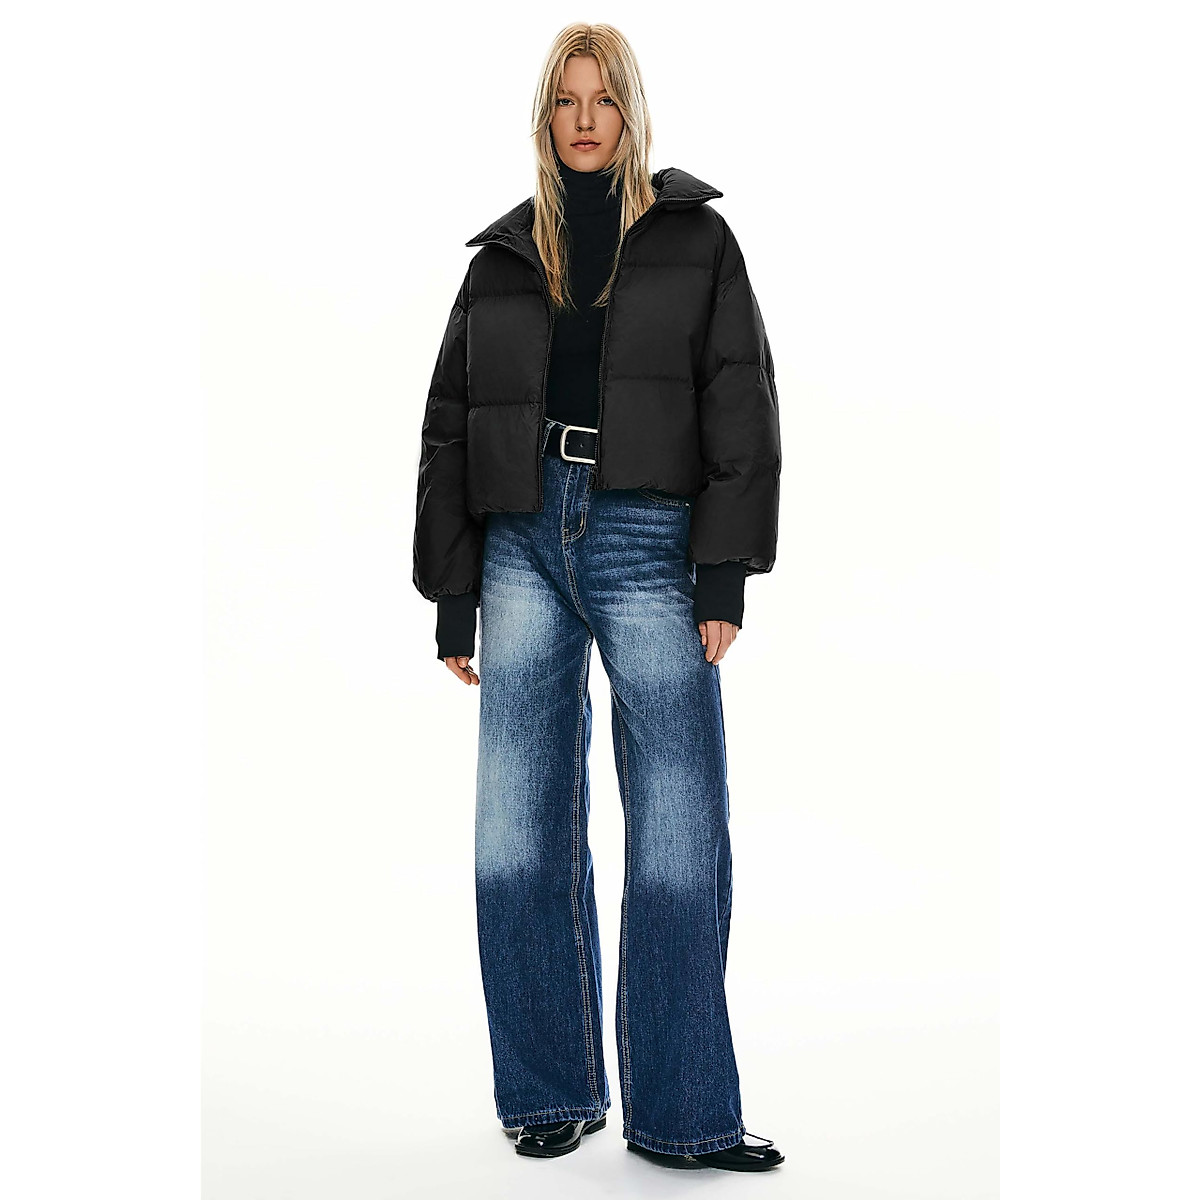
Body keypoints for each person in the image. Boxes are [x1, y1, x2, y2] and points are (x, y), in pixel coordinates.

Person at [412, 23, 784, 1172]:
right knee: (513, 836)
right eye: (566, 100)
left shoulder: (695, 241)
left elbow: (740, 400)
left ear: (631, 113)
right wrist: (454, 591)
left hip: (649, 539)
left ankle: (684, 1118)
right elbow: (448, 426)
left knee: (678, 833)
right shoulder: (500, 258)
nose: (585, 119)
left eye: (604, 99)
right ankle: (548, 1093)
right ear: (545, 117)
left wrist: (722, 571)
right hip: (522, 538)